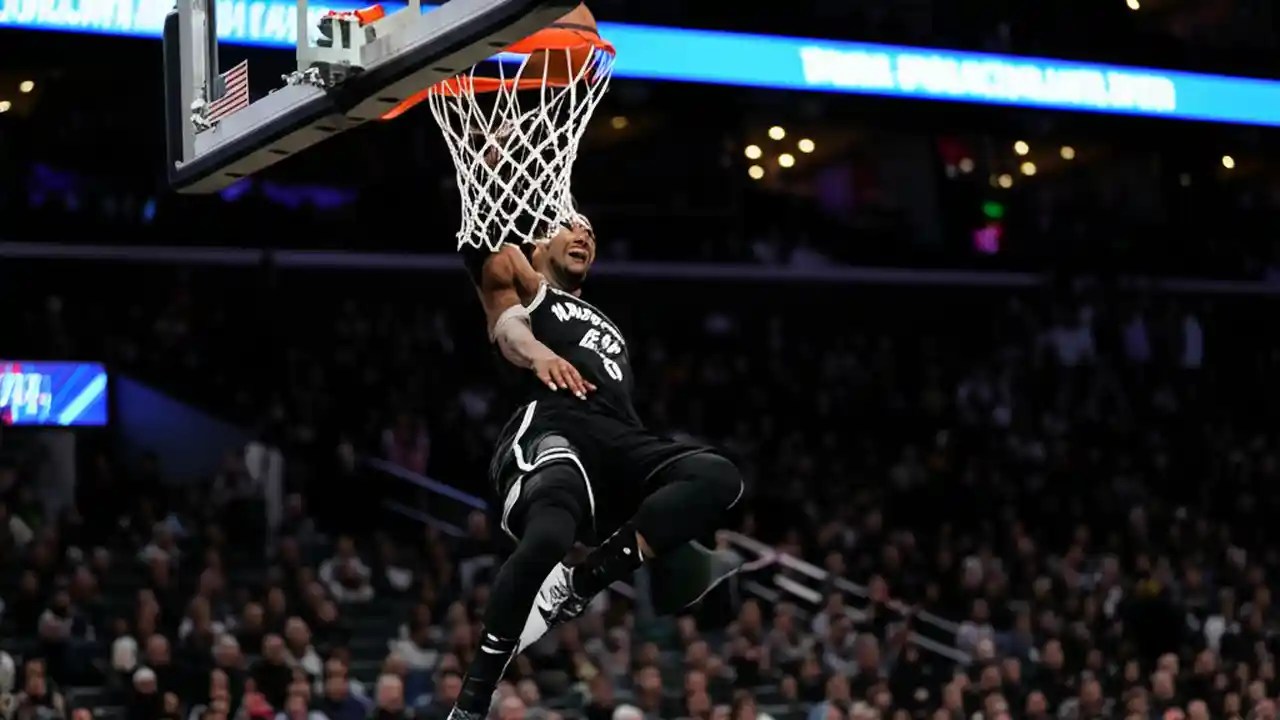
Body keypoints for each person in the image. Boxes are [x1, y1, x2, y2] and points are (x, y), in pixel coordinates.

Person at [448, 217, 745, 719]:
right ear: (537, 247)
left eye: (590, 230)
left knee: (718, 478)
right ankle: (472, 703)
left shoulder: (605, 322)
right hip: (556, 429)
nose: (584, 234)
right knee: (547, 538)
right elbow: (505, 319)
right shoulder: (525, 281)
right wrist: (537, 352)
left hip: (620, 442)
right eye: (570, 225)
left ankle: (582, 582)